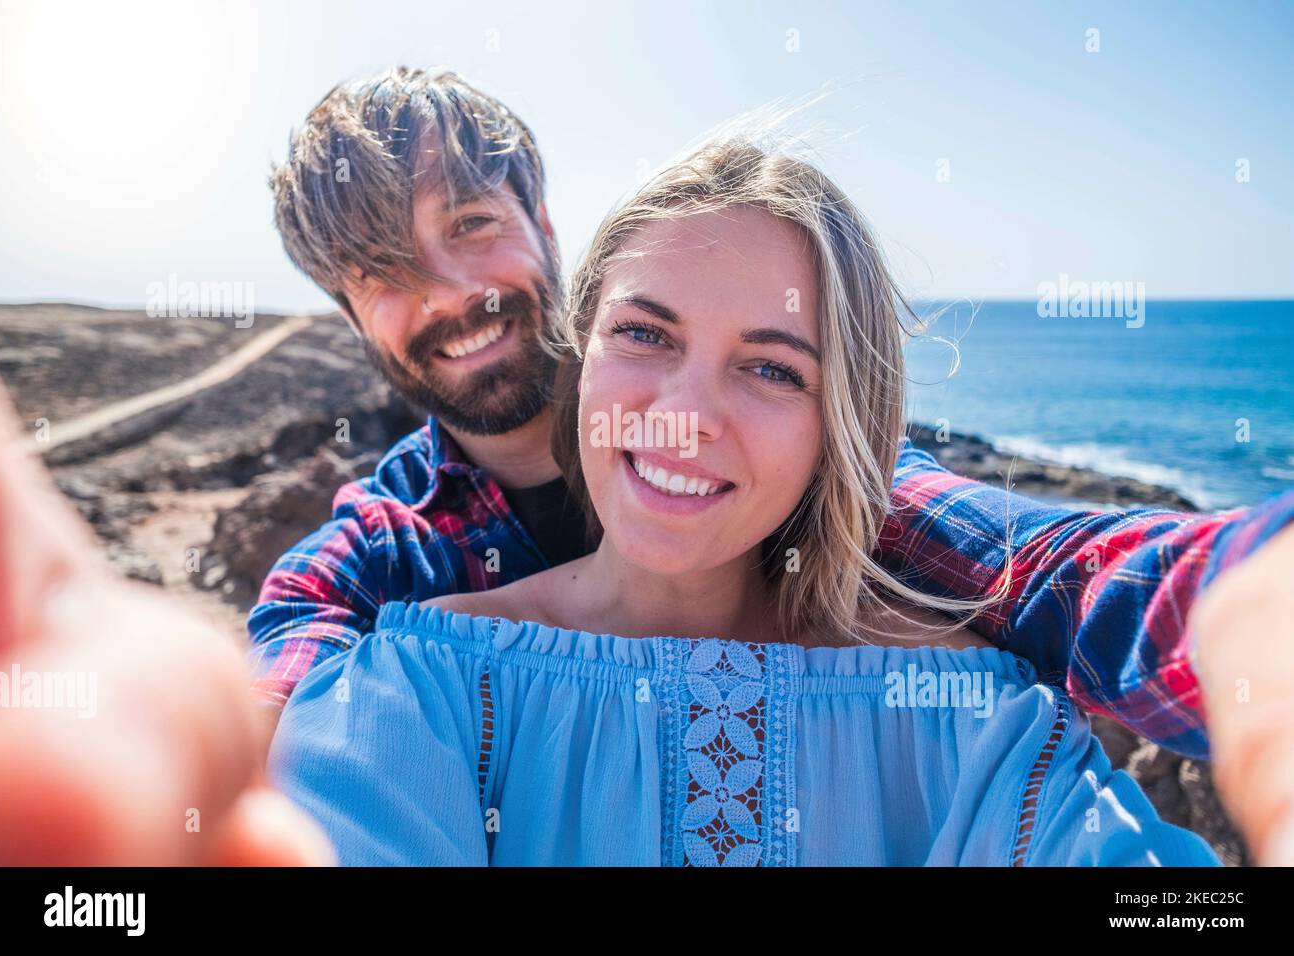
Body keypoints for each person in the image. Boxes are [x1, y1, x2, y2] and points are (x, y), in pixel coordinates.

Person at [267, 135, 1246, 864]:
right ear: (589, 341)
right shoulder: (415, 687)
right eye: (646, 335)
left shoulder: (966, 719)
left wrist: (1250, 612)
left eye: (772, 370)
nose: (686, 415)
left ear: (844, 424)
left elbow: (1077, 579)